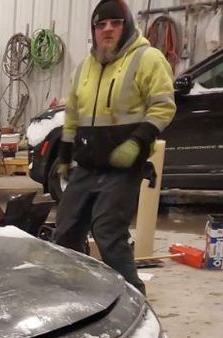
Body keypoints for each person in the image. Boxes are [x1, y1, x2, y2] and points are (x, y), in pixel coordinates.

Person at [54, 0, 177, 295]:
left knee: (108, 233)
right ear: (94, 30)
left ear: (127, 25)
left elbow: (163, 106)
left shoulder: (147, 59)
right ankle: (77, 293)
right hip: (87, 165)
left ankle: (136, 298)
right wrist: (65, 154)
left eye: (115, 23)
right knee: (66, 232)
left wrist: (137, 142)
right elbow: (73, 114)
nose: (107, 29)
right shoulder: (84, 67)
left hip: (122, 167)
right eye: (101, 24)